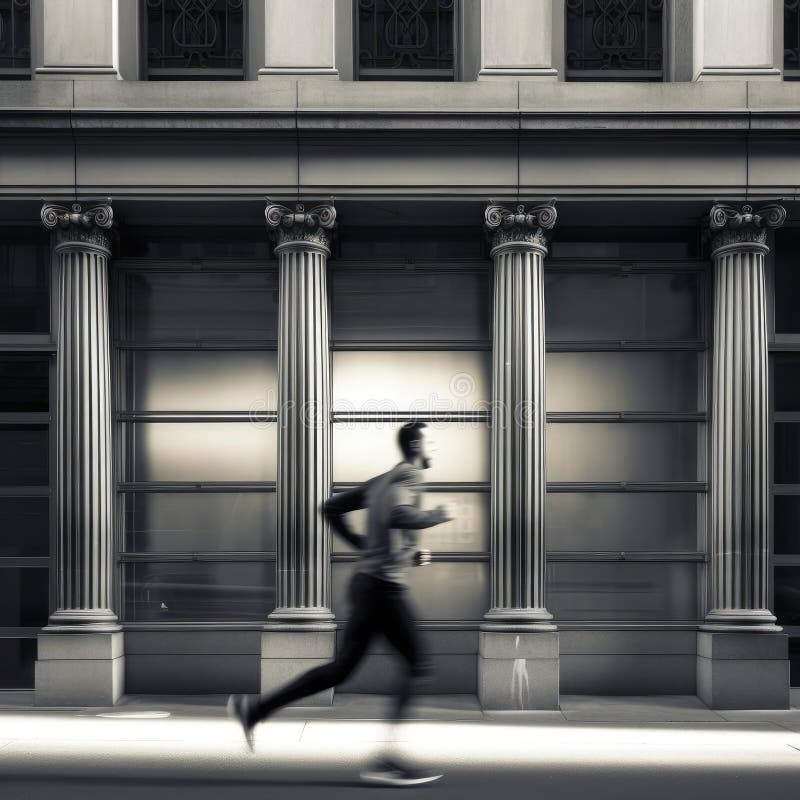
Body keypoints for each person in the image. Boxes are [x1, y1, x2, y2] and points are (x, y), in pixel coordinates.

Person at [227, 421, 455, 786]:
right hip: (382, 590)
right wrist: (435, 516)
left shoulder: (381, 481)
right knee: (417, 663)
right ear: (415, 444)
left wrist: (383, 550)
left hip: (367, 585)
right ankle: (387, 759)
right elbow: (399, 516)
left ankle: (255, 709)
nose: (436, 448)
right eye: (432, 441)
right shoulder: (410, 476)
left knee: (342, 669)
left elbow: (331, 508)